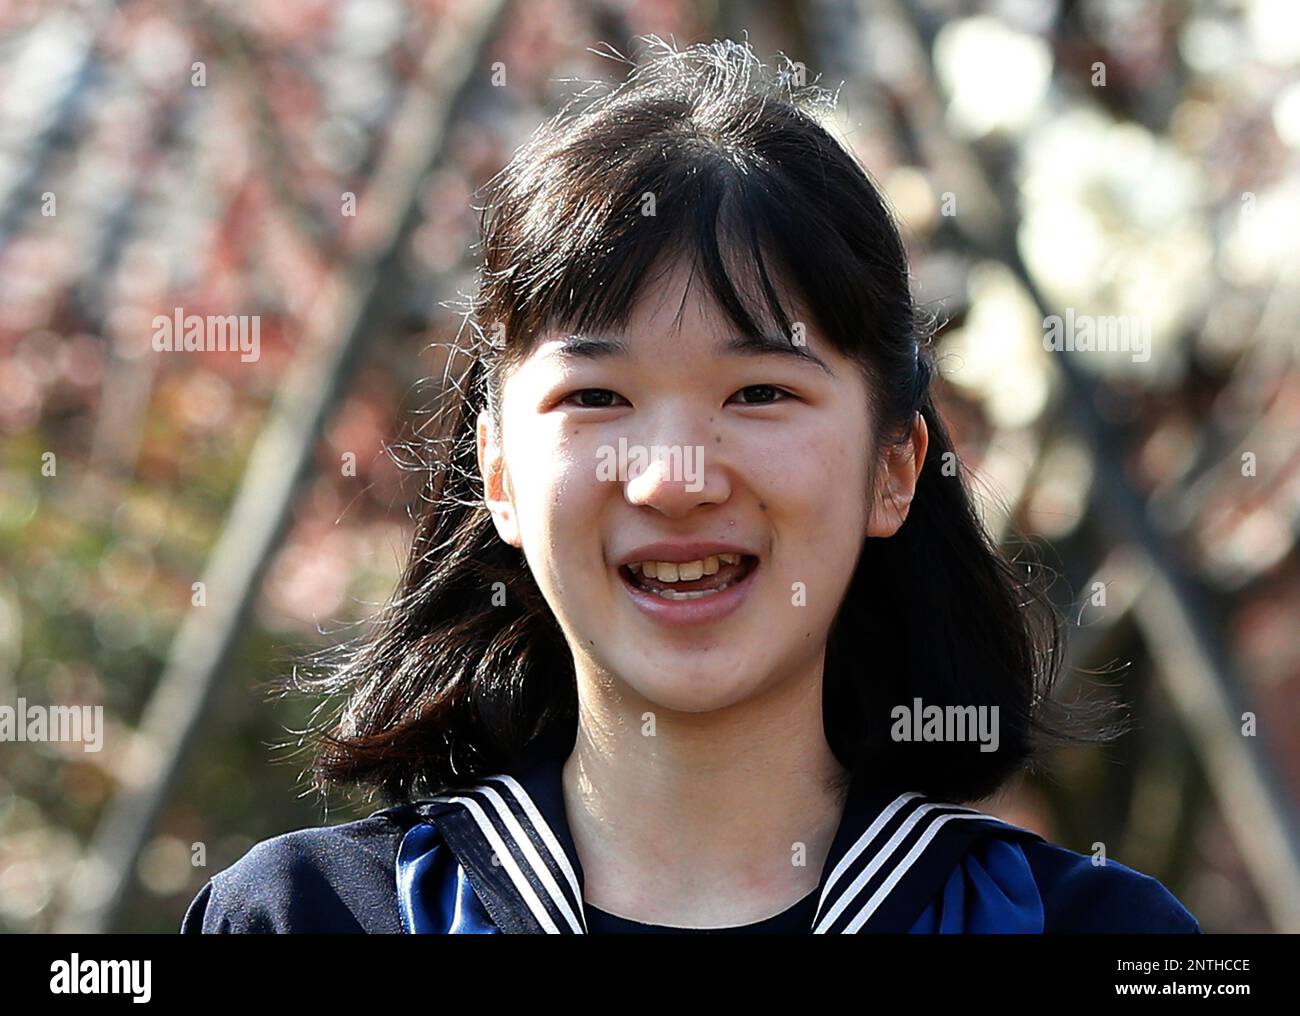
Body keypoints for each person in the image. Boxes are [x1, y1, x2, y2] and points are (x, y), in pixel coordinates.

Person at [182, 37, 1199, 935]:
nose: (672, 481)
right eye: (597, 397)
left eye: (757, 390)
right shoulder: (313, 917)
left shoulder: (1087, 930)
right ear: (497, 473)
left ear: (894, 469)